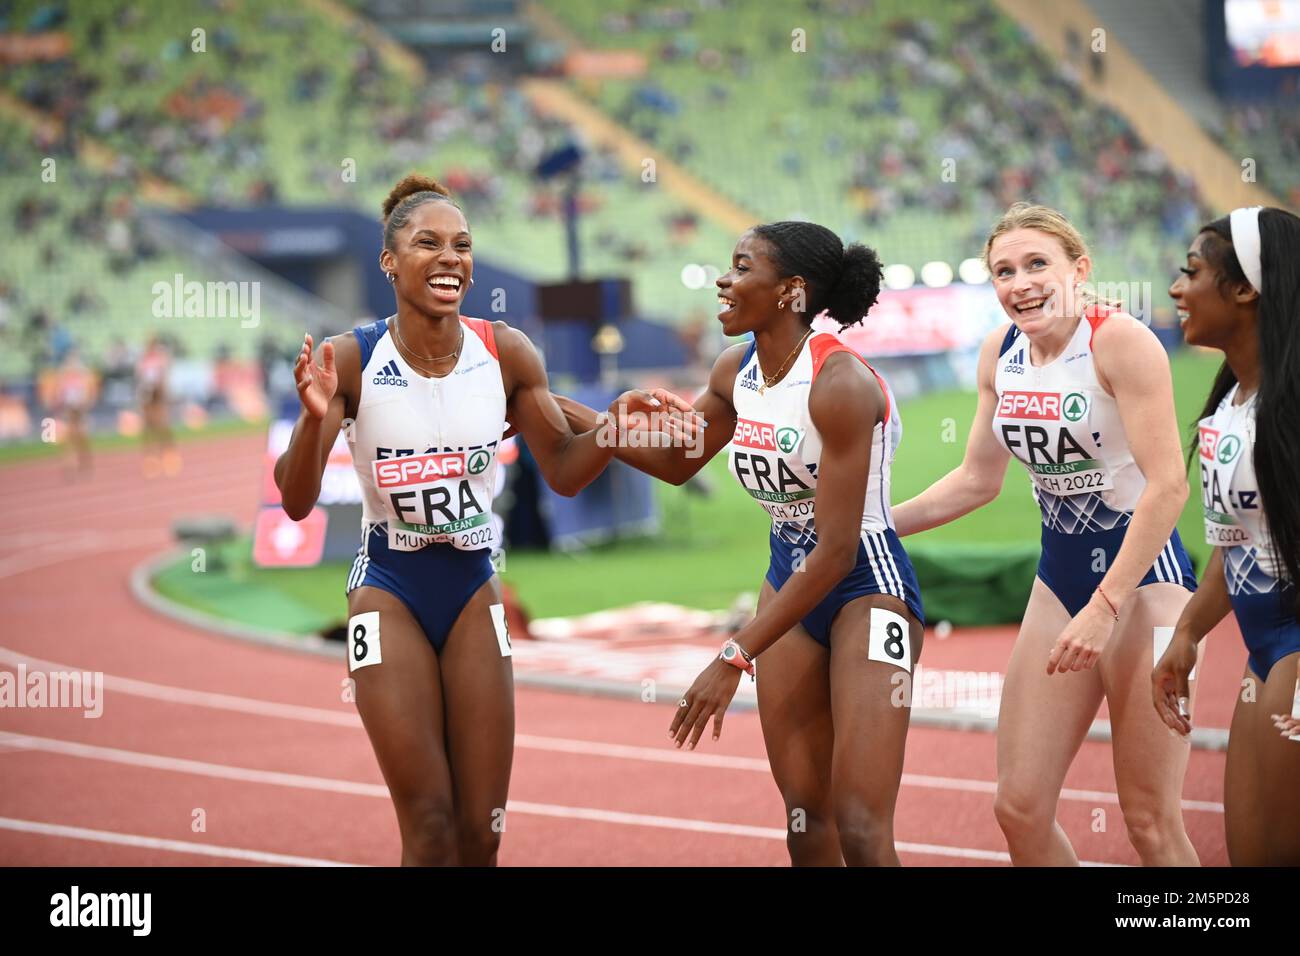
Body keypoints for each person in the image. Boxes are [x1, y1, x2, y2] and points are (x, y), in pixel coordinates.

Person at [274, 174, 668, 866]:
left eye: (462, 245)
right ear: (389, 262)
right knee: (428, 826)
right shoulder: (350, 358)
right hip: (387, 587)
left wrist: (610, 431)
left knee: (480, 833)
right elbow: (298, 499)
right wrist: (314, 422)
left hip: (473, 585)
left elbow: (565, 475)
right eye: (428, 243)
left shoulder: (506, 351)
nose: (450, 257)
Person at [556, 221, 925, 866]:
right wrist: (567, 409)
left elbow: (836, 551)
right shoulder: (736, 370)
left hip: (866, 585)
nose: (723, 281)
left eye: (741, 267)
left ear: (790, 291)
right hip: (789, 578)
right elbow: (678, 460)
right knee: (806, 824)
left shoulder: (839, 384)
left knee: (861, 826)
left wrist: (733, 656)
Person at [891, 203, 1199, 866]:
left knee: (1149, 822)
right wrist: (873, 527)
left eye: (1037, 264)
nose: (1020, 282)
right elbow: (977, 479)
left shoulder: (1120, 341)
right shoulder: (1000, 352)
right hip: (1059, 585)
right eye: (1004, 270)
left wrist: (1107, 605)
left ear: (1078, 269)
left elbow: (1169, 485)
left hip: (1148, 590)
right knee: (1019, 807)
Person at [1154, 205, 1300, 865]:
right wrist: (1186, 632)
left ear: (1245, 289)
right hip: (1260, 654)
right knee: (1252, 855)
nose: (1176, 290)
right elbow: (1234, 545)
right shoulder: (1226, 411)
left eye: (1192, 273)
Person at [136, 336, 177, 477]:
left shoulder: (161, 358)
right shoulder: (143, 360)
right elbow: (141, 378)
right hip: (147, 396)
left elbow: (164, 377)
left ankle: (169, 455)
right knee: (148, 429)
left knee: (162, 426)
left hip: (158, 395)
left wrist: (162, 390)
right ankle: (151, 459)